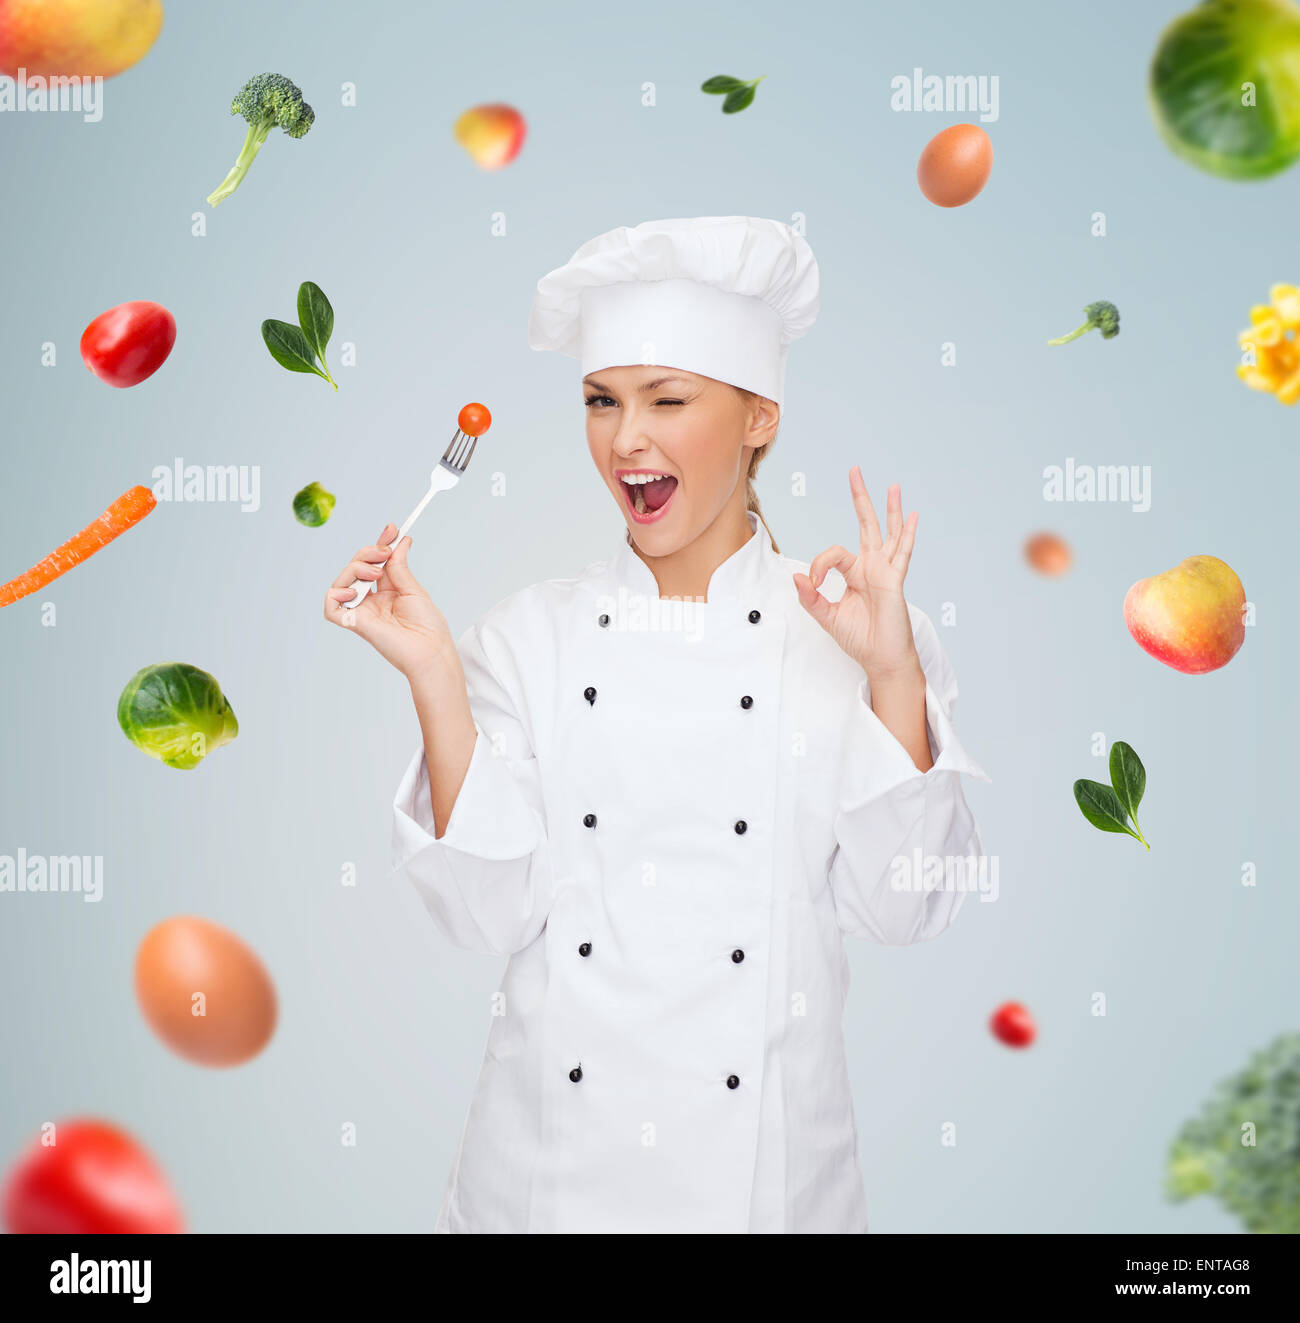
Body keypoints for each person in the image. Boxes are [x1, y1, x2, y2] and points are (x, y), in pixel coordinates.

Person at [324, 216, 990, 1233]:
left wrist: (892, 670)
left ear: (760, 415)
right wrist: (433, 676)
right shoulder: (526, 638)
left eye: (667, 401)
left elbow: (905, 909)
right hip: (546, 1187)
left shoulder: (854, 631)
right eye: (601, 402)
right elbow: (484, 917)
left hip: (771, 1194)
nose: (626, 438)